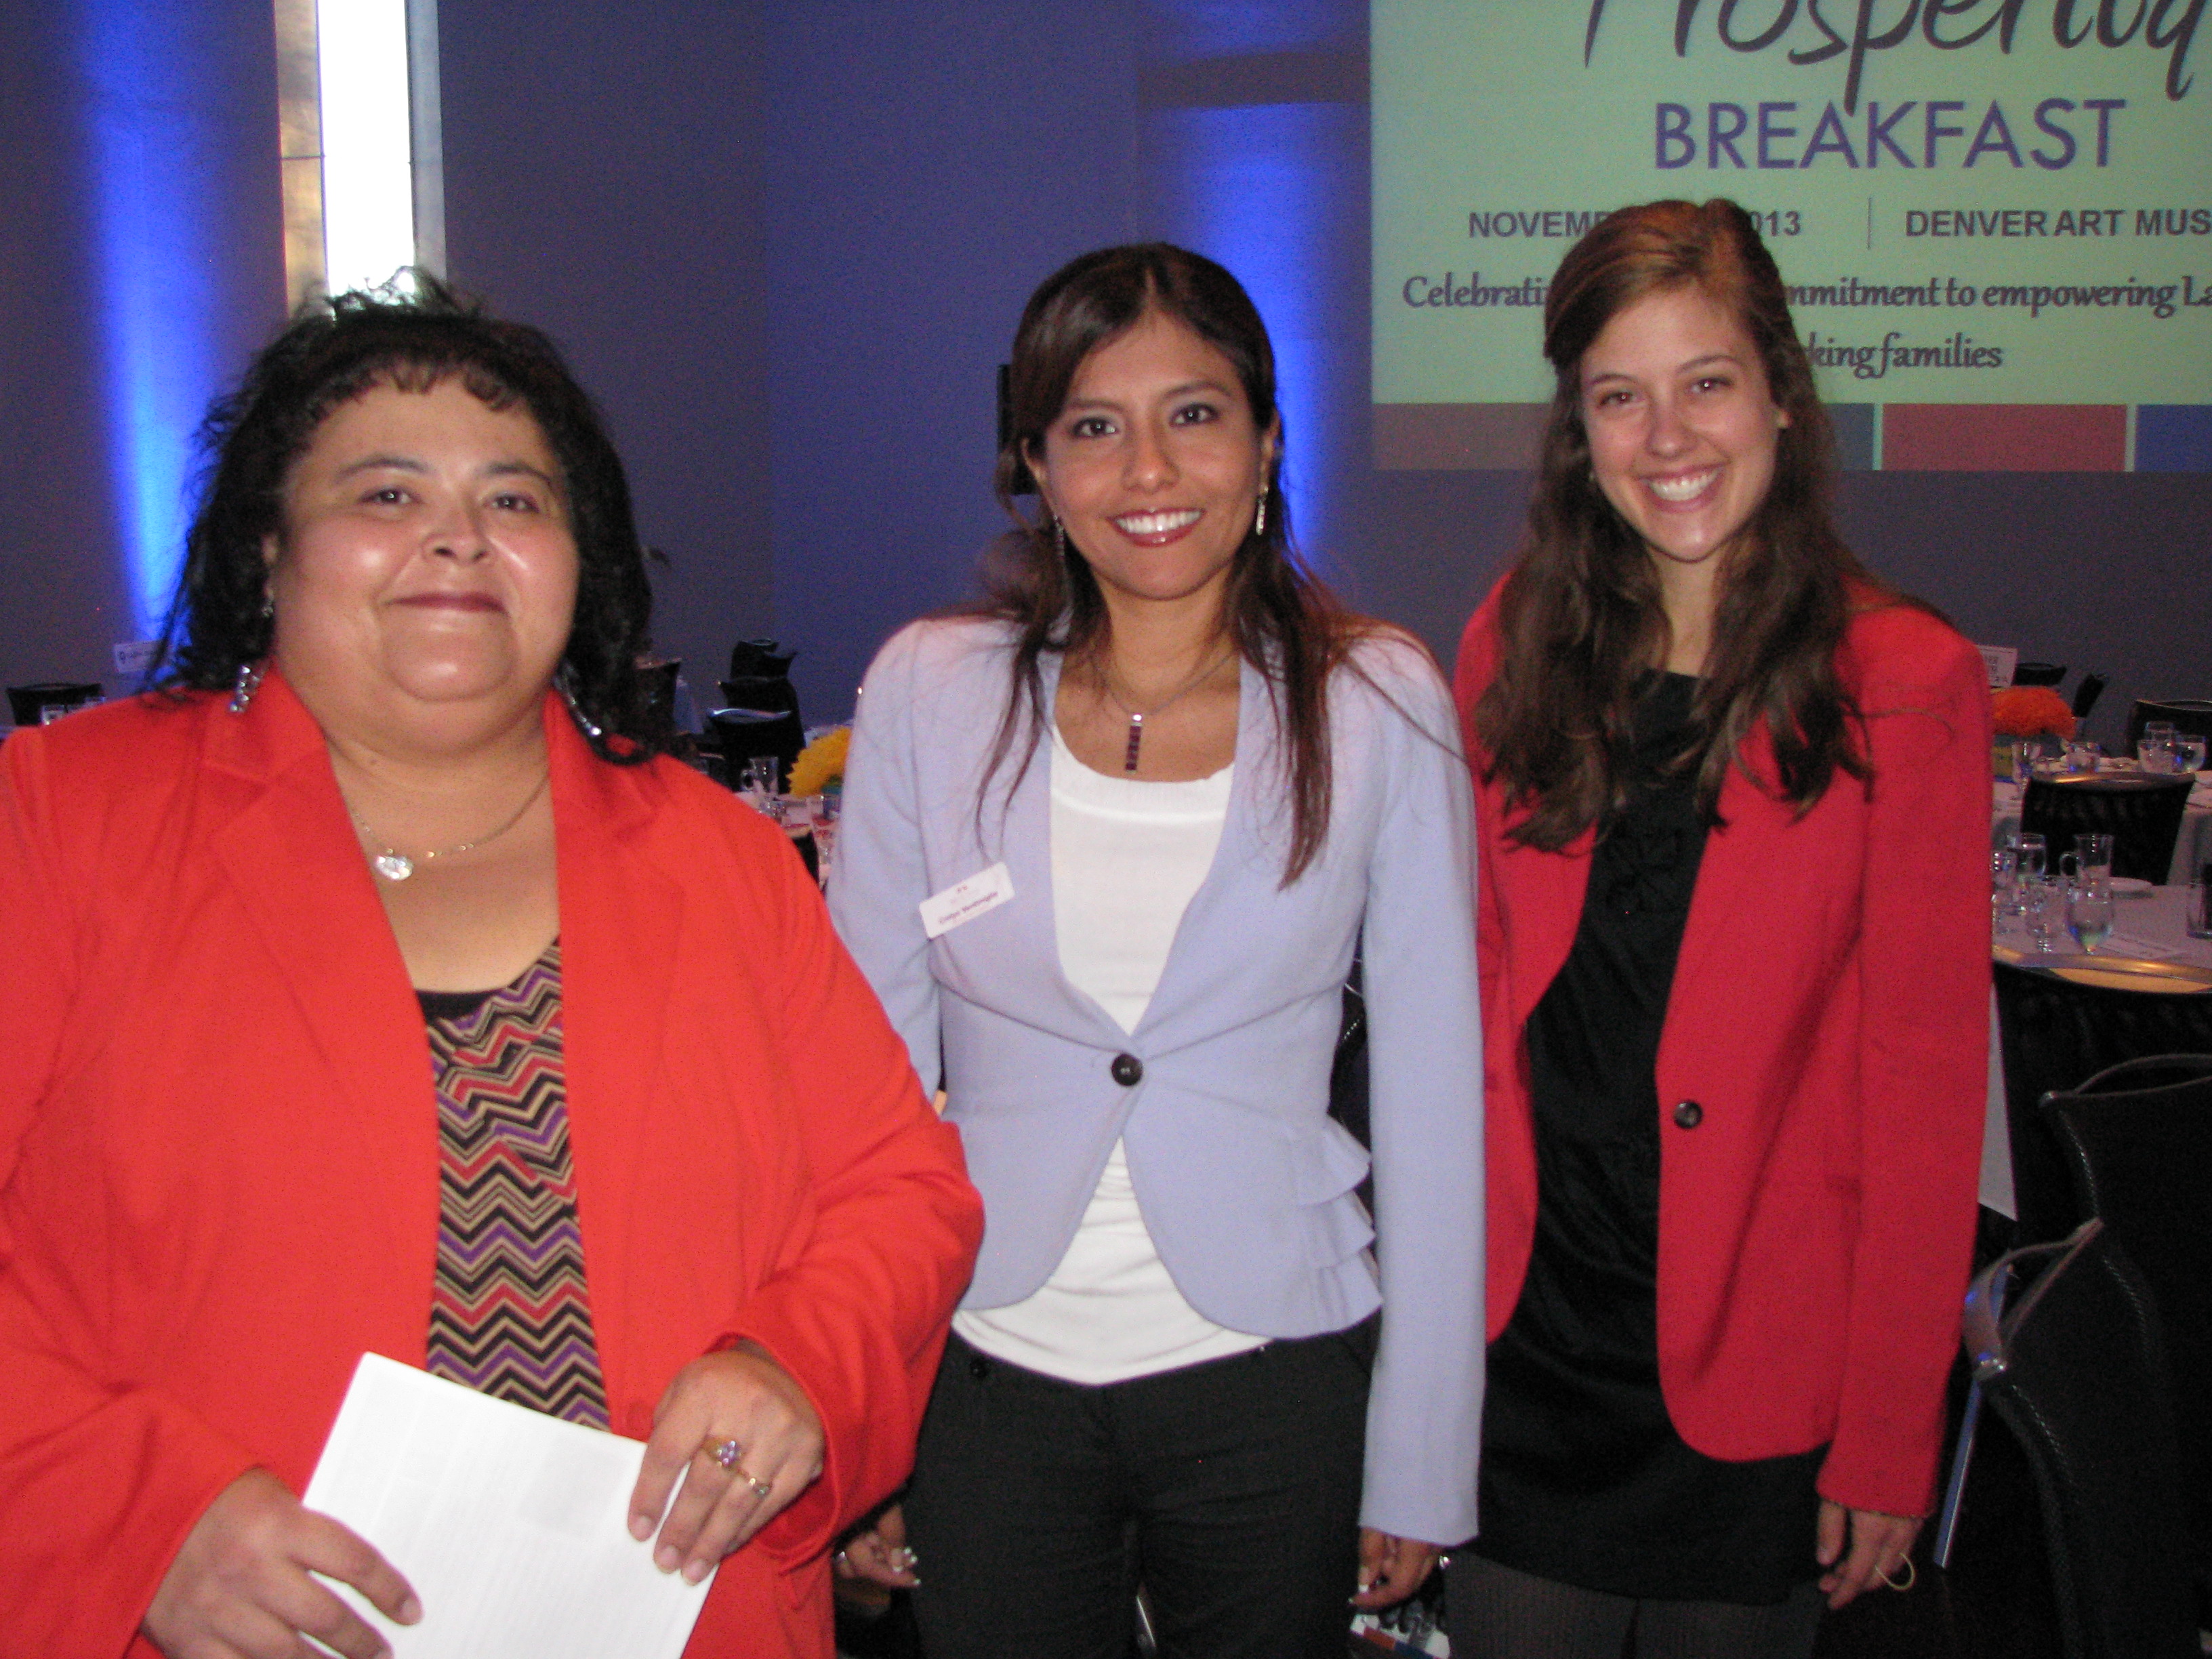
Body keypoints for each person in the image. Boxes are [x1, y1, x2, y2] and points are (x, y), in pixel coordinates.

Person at [0, 282, 982, 1659]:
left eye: (515, 499)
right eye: (387, 494)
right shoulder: (64, 820)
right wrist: (131, 1517)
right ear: (270, 549)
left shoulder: (717, 857)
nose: (459, 534)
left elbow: (901, 1192)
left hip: (671, 1611)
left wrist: (795, 1368)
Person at [825, 243, 1485, 1658]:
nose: (1149, 470)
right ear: (1036, 466)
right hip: (981, 1369)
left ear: (1268, 442)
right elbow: (855, 1092)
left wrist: (1422, 1454)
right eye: (1092, 427)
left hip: (1273, 1372)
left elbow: (1437, 1101)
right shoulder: (930, 690)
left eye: (1194, 414)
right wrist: (856, 1415)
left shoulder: (1377, 700)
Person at [1450, 199, 1989, 1658]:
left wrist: (1891, 1428)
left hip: (1760, 1359)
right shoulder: (1512, 641)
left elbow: (1926, 1092)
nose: (1668, 437)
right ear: (1578, 431)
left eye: (1707, 383)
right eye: (1619, 396)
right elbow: (1474, 1010)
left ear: (1781, 397)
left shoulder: (1904, 680)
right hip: (1529, 1353)